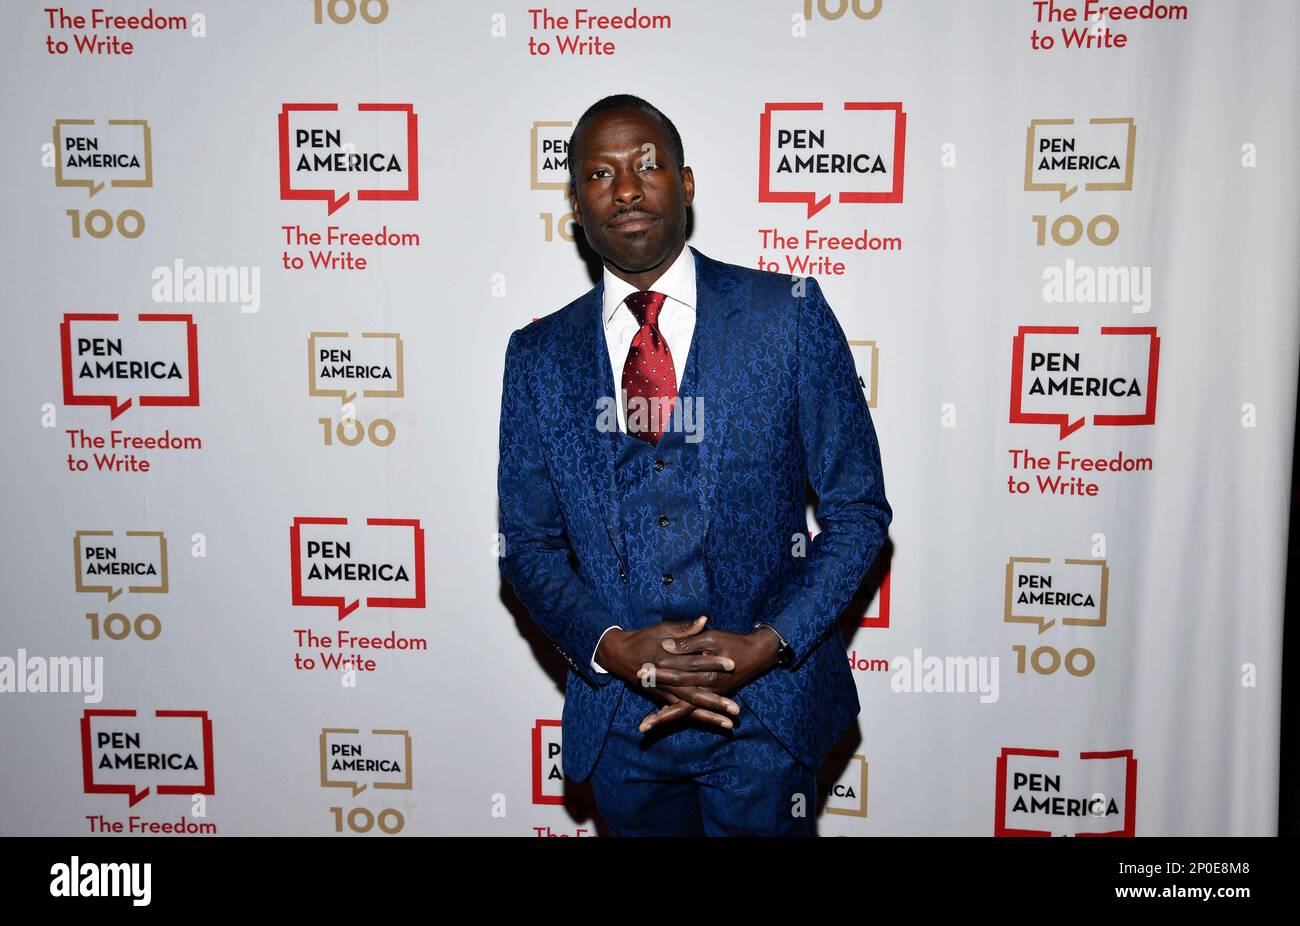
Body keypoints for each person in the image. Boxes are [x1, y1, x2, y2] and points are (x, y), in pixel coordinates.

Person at [497, 93, 891, 836]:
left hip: (766, 720)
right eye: (598, 173)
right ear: (575, 205)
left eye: (648, 164)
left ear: (686, 181)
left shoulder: (788, 313)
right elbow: (528, 543)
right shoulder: (538, 355)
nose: (625, 188)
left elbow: (859, 512)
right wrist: (612, 648)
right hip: (622, 728)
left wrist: (769, 644)